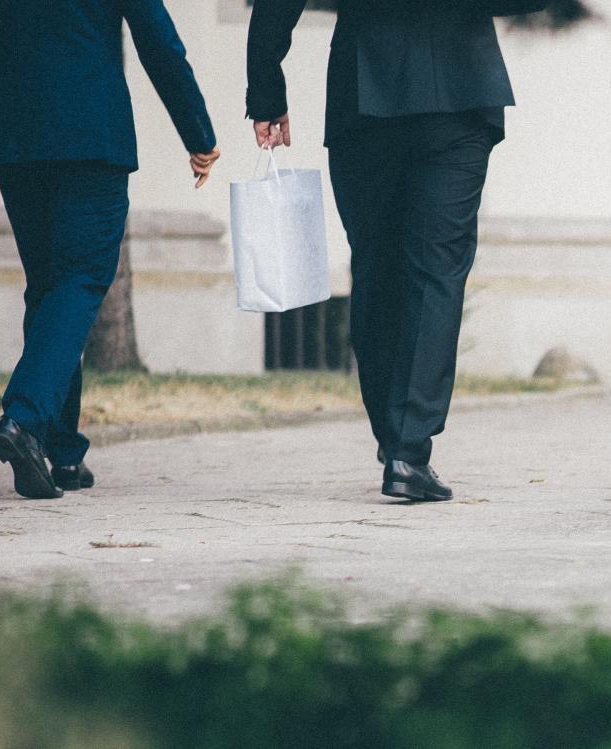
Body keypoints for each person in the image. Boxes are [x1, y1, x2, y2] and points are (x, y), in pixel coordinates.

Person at [246, 0, 545, 502]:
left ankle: (396, 438)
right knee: (436, 271)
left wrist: (267, 91)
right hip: (458, 92)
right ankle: (408, 448)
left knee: (377, 267)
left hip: (368, 92)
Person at [0, 0, 221, 499]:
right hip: (91, 131)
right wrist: (198, 133)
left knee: (48, 288)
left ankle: (62, 453)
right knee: (81, 278)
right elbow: (158, 40)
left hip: (16, 136)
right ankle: (23, 419)